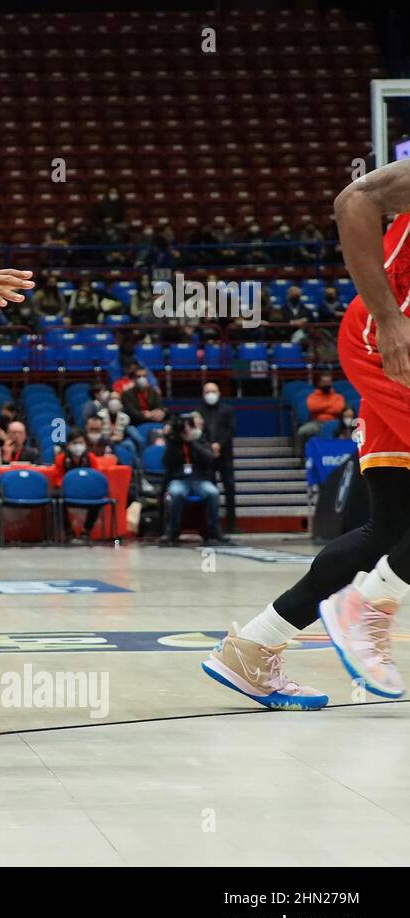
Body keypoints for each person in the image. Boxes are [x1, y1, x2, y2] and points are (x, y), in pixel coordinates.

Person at [203, 157, 410, 709]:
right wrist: (389, 319)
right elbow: (354, 201)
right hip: (388, 338)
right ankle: (368, 606)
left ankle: (254, 644)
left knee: (388, 529)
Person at [159, 412, 229, 546]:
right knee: (176, 493)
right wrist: (171, 440)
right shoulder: (174, 441)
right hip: (179, 479)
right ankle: (172, 531)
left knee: (213, 493)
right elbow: (166, 463)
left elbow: (209, 459)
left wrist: (192, 442)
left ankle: (213, 530)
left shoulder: (201, 438)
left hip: (200, 480)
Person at [52, 428, 105, 542]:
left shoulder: (90, 458)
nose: (78, 446)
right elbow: (58, 478)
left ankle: (86, 531)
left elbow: (96, 477)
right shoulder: (61, 458)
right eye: (74, 443)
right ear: (68, 445)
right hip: (67, 492)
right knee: (55, 498)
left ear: (85, 444)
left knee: (98, 497)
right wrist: (70, 487)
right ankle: (69, 533)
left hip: (87, 491)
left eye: (80, 443)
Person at [198, 382, 237, 532]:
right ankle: (212, 525)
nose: (211, 394)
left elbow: (231, 430)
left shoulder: (227, 409)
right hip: (207, 456)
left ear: (219, 392)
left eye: (213, 391)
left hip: (225, 454)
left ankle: (232, 524)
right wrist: (209, 446)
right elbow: (198, 433)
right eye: (207, 391)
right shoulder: (199, 411)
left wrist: (219, 445)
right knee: (210, 490)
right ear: (203, 394)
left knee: (229, 487)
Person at [295, 372, 344, 448]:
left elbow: (338, 409)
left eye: (328, 382)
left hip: (335, 423)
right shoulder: (313, 396)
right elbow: (313, 407)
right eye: (324, 382)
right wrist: (330, 404)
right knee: (302, 431)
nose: (326, 384)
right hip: (317, 423)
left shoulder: (338, 397)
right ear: (319, 383)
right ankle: (300, 457)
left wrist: (321, 407)